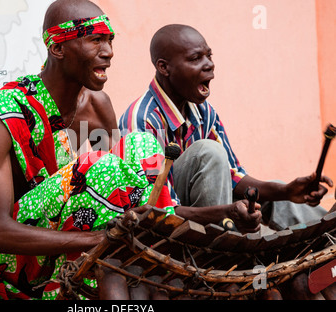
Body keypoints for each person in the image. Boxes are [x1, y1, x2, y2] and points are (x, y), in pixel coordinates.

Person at [0, 0, 172, 300]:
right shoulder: (5, 113)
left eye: (109, 40)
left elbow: (123, 188)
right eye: (95, 40)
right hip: (8, 257)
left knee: (141, 146)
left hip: (78, 231)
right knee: (102, 165)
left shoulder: (96, 106)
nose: (108, 52)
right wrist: (100, 239)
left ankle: (148, 257)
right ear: (58, 48)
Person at [119, 24, 333, 232]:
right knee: (209, 152)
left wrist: (286, 191)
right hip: (163, 229)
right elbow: (154, 211)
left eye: (209, 56)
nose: (209, 65)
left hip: (202, 211)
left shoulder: (205, 112)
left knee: (268, 193)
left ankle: (326, 232)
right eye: (195, 58)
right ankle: (219, 248)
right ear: (164, 67)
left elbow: (233, 177)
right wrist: (226, 213)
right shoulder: (141, 121)